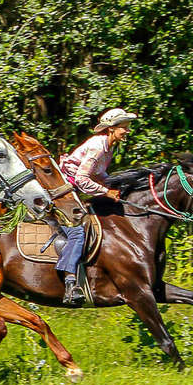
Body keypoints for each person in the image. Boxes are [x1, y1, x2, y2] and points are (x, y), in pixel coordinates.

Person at [56, 107, 138, 305]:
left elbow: (98, 174)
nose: (127, 131)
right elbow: (81, 178)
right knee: (77, 231)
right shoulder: (98, 146)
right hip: (65, 190)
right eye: (124, 128)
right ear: (111, 129)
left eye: (127, 127)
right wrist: (106, 191)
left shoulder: (109, 147)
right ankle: (70, 282)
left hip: (76, 189)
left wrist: (114, 184)